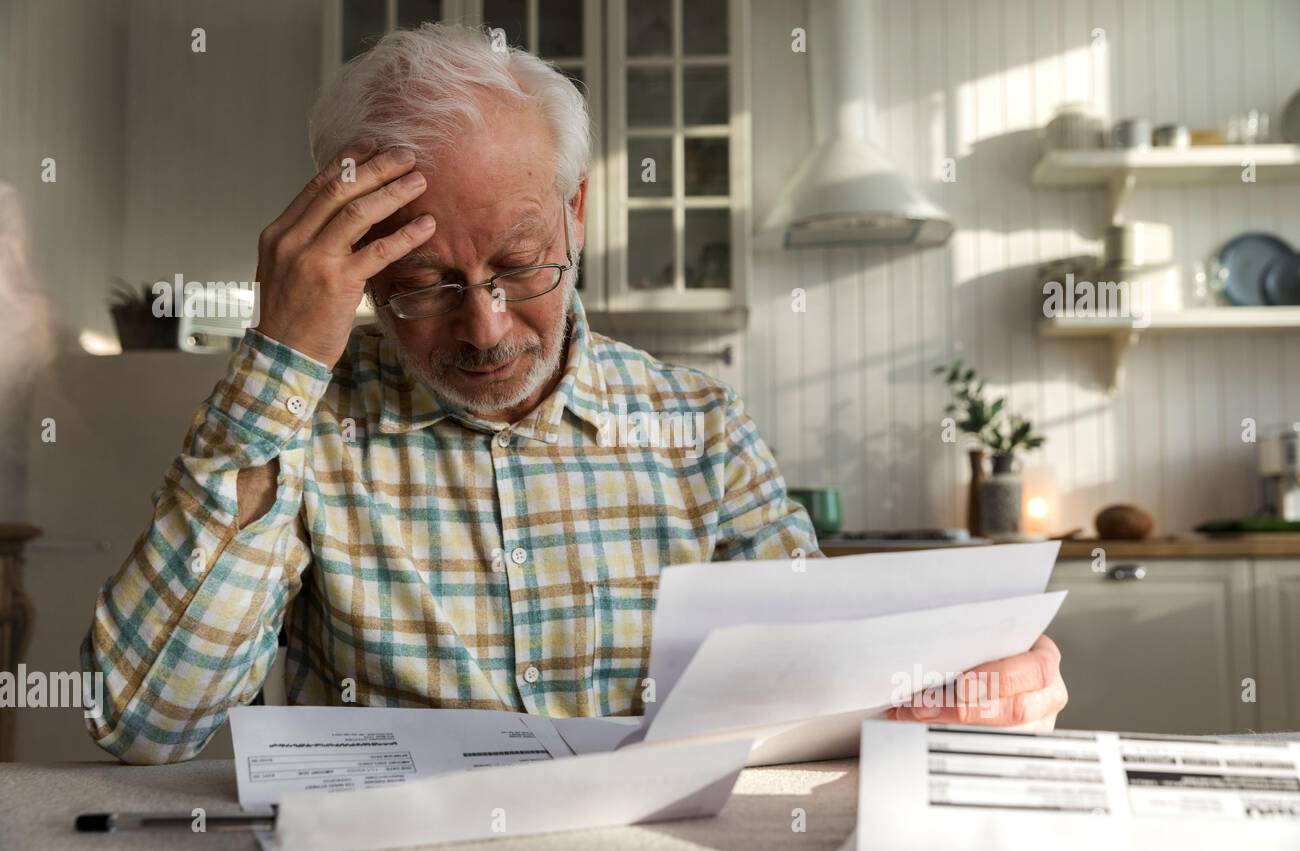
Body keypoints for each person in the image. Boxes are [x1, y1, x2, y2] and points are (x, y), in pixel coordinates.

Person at [81, 23, 1066, 765]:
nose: (486, 327)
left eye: (523, 263)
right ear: (358, 269)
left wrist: (950, 697)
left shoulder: (698, 427)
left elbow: (820, 694)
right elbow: (145, 725)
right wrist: (280, 358)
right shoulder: (304, 423)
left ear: (578, 211)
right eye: (421, 285)